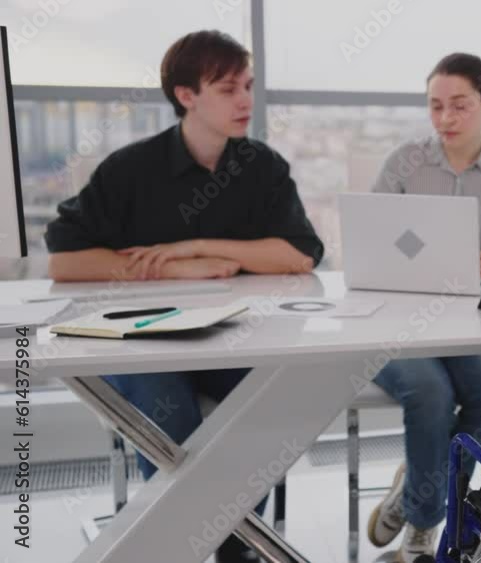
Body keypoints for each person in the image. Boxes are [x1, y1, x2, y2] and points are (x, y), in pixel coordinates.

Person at [44, 30, 323, 563]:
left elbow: (298, 255)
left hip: (230, 336)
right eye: (228, 89)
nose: (245, 100)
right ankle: (183, 546)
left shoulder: (262, 166)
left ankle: (235, 546)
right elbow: (65, 261)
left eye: (248, 86)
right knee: (169, 423)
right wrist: (176, 268)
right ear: (186, 95)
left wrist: (197, 245)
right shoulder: (130, 169)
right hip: (139, 341)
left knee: (268, 407)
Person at [366, 53, 481, 561]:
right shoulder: (405, 162)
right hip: (400, 322)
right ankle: (425, 519)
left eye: (460, 105)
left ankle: (414, 492)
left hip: (466, 324)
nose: (445, 118)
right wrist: (418, 253)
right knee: (429, 393)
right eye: (435, 106)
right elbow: (371, 239)